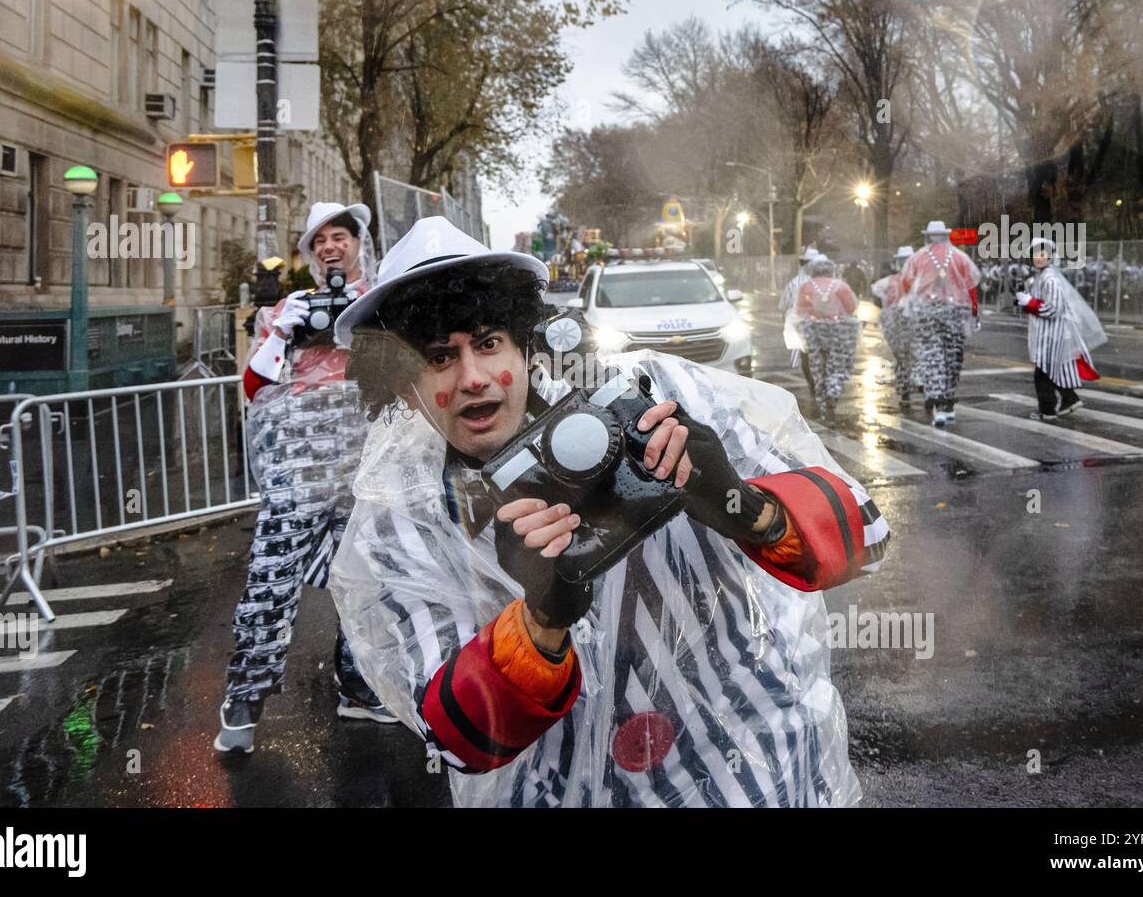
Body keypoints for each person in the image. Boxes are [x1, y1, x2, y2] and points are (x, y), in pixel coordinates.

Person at [327, 216, 891, 808]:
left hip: (755, 776)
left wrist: (741, 505)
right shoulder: (404, 528)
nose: (472, 378)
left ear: (524, 345)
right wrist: (540, 622)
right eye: (440, 358)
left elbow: (868, 536)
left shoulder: (657, 402)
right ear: (402, 384)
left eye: (489, 344)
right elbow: (457, 739)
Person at [214, 202, 396, 756]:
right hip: (298, 471)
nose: (329, 248)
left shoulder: (379, 303)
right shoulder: (289, 309)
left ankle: (360, 686)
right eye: (318, 242)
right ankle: (244, 699)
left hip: (363, 472)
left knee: (365, 582)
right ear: (309, 255)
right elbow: (251, 388)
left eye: (338, 237)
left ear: (358, 243)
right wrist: (281, 334)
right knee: (270, 580)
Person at [1014, 237, 1107, 421]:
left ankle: (1047, 410)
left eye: (1043, 254)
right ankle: (1069, 399)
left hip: (1052, 334)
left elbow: (1054, 309)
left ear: (1050, 257)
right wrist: (1026, 301)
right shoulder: (1043, 276)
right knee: (1055, 370)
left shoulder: (1050, 279)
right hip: (1048, 333)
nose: (1038, 258)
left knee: (1043, 373)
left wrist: (1030, 302)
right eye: (1035, 254)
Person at [901, 220, 982, 427]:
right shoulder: (960, 257)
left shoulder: (917, 258)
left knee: (932, 357)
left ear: (928, 236)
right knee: (953, 358)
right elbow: (972, 286)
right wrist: (974, 313)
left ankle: (937, 401)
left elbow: (907, 284)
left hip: (926, 312)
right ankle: (948, 402)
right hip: (955, 312)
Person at [793, 255, 860, 422]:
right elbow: (851, 307)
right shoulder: (841, 286)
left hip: (813, 332)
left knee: (817, 367)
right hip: (837, 331)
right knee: (836, 366)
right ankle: (833, 392)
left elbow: (800, 310)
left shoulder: (805, 287)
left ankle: (822, 402)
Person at [872, 246, 916, 407]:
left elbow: (876, 289)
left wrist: (887, 302)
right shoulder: (918, 279)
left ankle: (905, 385)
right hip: (909, 322)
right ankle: (908, 384)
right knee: (908, 355)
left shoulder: (890, 281)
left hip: (896, 323)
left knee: (902, 356)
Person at [780, 246, 820, 393]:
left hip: (800, 326)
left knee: (806, 357)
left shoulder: (794, 283)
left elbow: (784, 307)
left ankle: (813, 385)